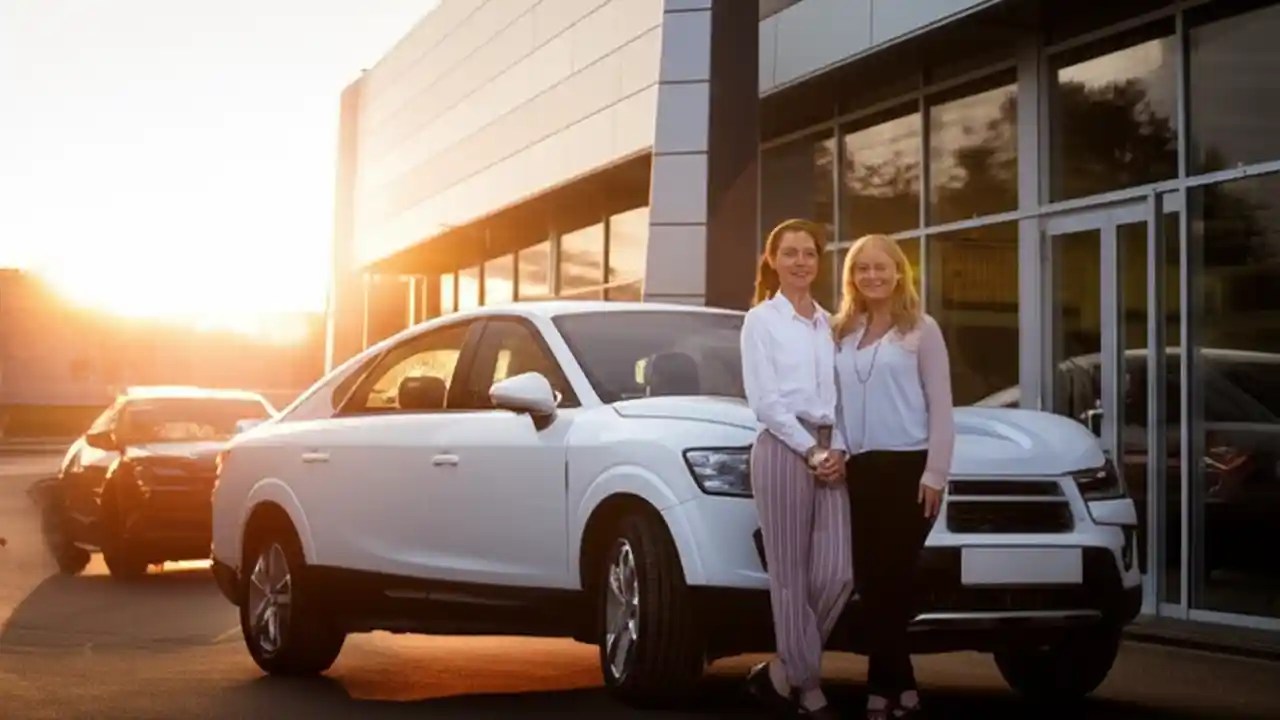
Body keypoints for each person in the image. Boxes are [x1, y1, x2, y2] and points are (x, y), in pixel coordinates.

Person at [832, 233, 954, 719]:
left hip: (908, 470)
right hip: (859, 471)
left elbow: (941, 406)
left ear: (900, 271)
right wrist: (838, 449)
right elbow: (835, 404)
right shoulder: (842, 331)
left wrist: (936, 474)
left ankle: (880, 690)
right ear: (852, 277)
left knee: (893, 583)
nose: (873, 276)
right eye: (863, 268)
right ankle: (901, 688)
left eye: (881, 267)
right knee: (871, 582)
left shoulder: (921, 329)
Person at [740, 218, 852, 720]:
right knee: (789, 575)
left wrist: (839, 450)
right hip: (784, 447)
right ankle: (808, 690)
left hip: (831, 450)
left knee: (837, 574)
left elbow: (846, 397)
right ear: (773, 260)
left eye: (809, 253)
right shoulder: (761, 321)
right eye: (791, 253)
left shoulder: (833, 324)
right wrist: (810, 450)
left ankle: (781, 675)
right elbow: (765, 401)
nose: (801, 261)